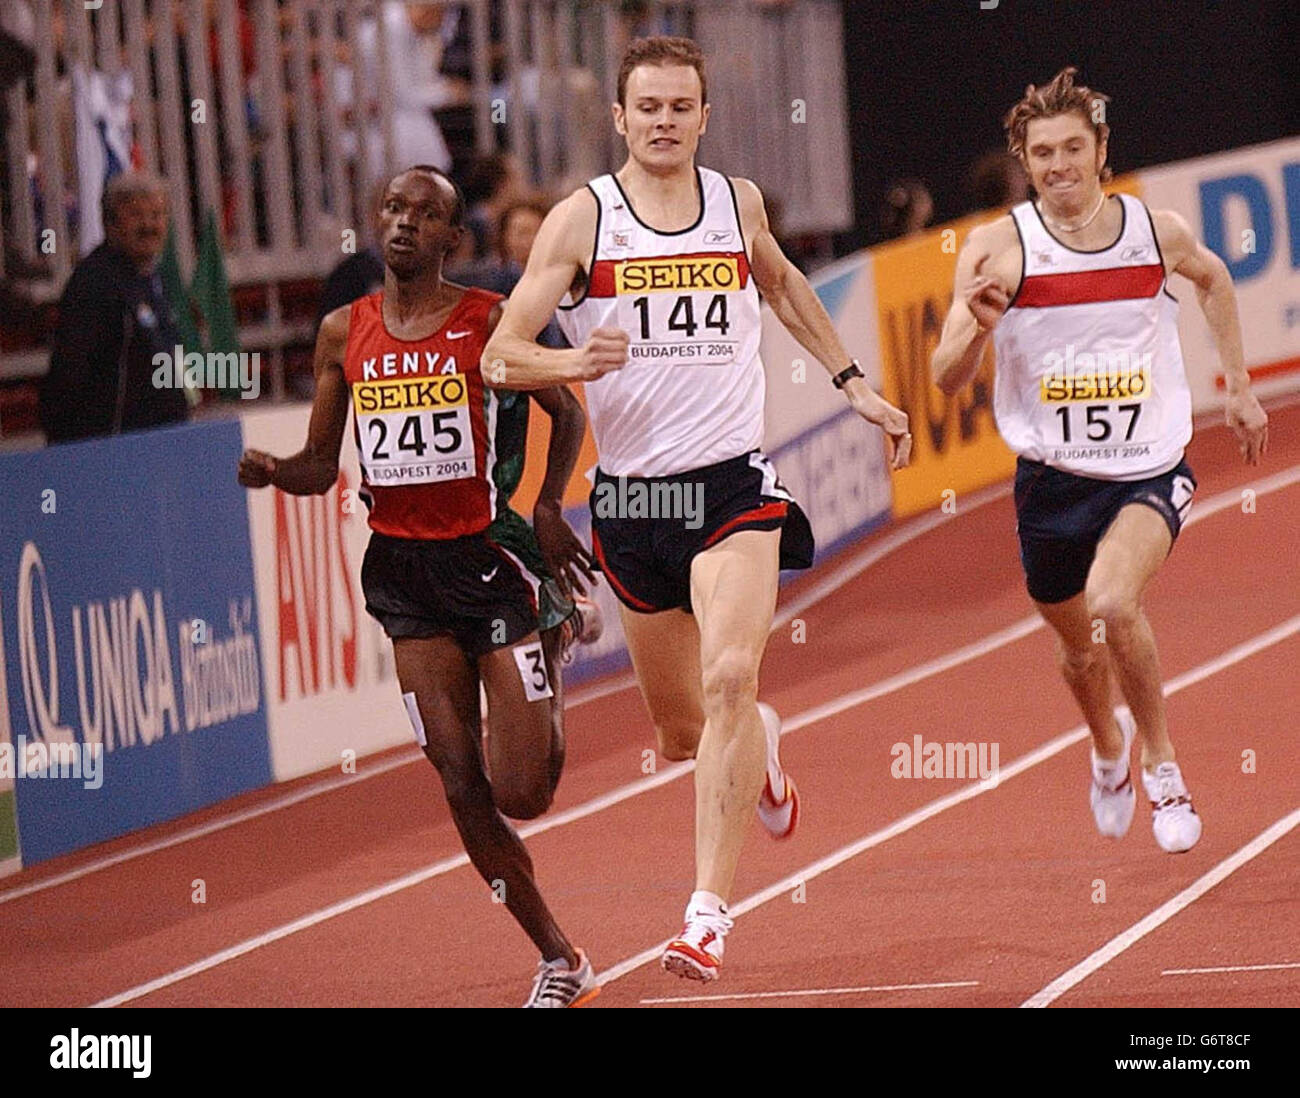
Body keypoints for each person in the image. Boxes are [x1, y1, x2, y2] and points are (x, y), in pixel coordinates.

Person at [482, 36, 911, 982]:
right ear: (621, 117)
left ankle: (706, 916)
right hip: (633, 503)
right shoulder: (581, 223)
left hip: (730, 490)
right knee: (686, 732)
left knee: (728, 676)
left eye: (683, 107)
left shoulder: (736, 203)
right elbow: (500, 356)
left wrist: (853, 384)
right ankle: (759, 751)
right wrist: (570, 362)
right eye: (650, 107)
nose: (666, 122)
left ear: (704, 117)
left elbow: (784, 283)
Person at [237, 165, 600, 1008]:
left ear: (451, 239)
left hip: (487, 560)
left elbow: (568, 409)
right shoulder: (341, 331)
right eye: (393, 208)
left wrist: (547, 504)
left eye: (425, 214)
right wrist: (273, 472)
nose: (403, 223)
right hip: (402, 578)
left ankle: (553, 636)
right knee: (462, 785)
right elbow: (322, 464)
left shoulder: (489, 321)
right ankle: (560, 957)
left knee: (524, 791)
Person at [931, 67, 1268, 854]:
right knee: (1077, 650)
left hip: (1149, 465)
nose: (1058, 166)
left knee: (1114, 602)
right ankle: (1108, 749)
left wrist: (1240, 388)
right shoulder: (997, 248)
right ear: (1025, 159)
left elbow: (1214, 280)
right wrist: (977, 328)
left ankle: (1163, 769)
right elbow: (947, 378)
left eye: (1072, 149)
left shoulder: (1155, 232)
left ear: (1101, 150)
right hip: (1051, 480)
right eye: (1042, 153)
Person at [39, 172, 190, 443]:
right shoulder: (94, 284)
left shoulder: (154, 279)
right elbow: (69, 378)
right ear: (111, 224)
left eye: (157, 215)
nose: (149, 225)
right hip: (112, 450)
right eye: (136, 215)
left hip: (161, 443)